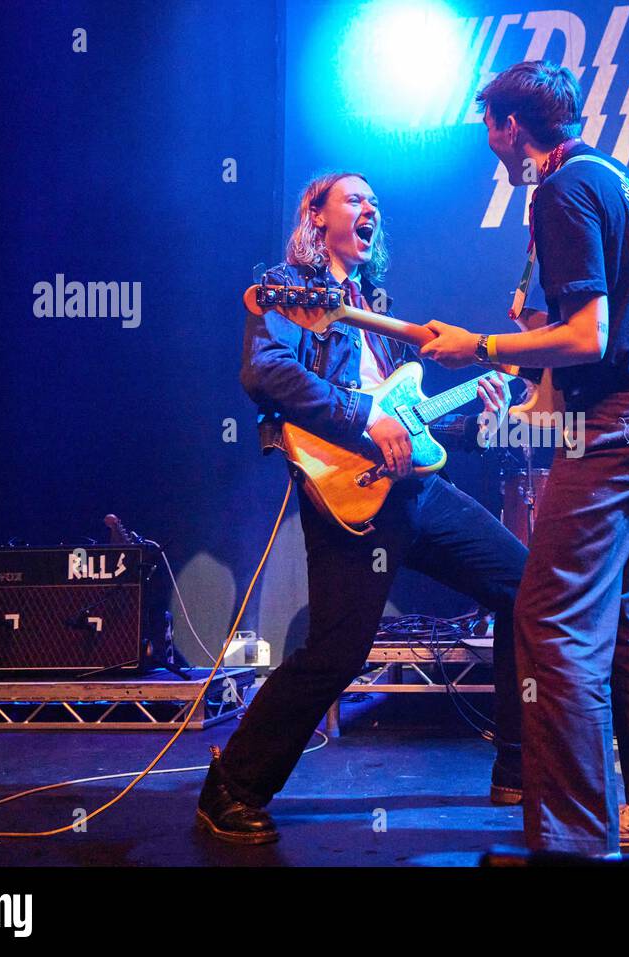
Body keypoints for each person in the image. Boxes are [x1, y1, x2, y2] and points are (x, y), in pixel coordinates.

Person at [197, 171, 528, 844]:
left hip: (411, 487)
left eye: (376, 200)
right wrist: (361, 417)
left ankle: (520, 766)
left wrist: (477, 421)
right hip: (346, 488)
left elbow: (412, 425)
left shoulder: (375, 306)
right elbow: (266, 372)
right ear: (315, 215)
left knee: (526, 585)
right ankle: (229, 786)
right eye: (354, 197)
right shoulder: (289, 286)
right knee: (337, 651)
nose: (370, 206)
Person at [421, 61, 629, 856]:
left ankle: (574, 838)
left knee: (550, 618)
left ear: (512, 127)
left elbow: (589, 335)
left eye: (490, 130)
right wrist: (543, 387)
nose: (490, 147)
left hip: (616, 427)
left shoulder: (560, 190)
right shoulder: (617, 177)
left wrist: (482, 344)